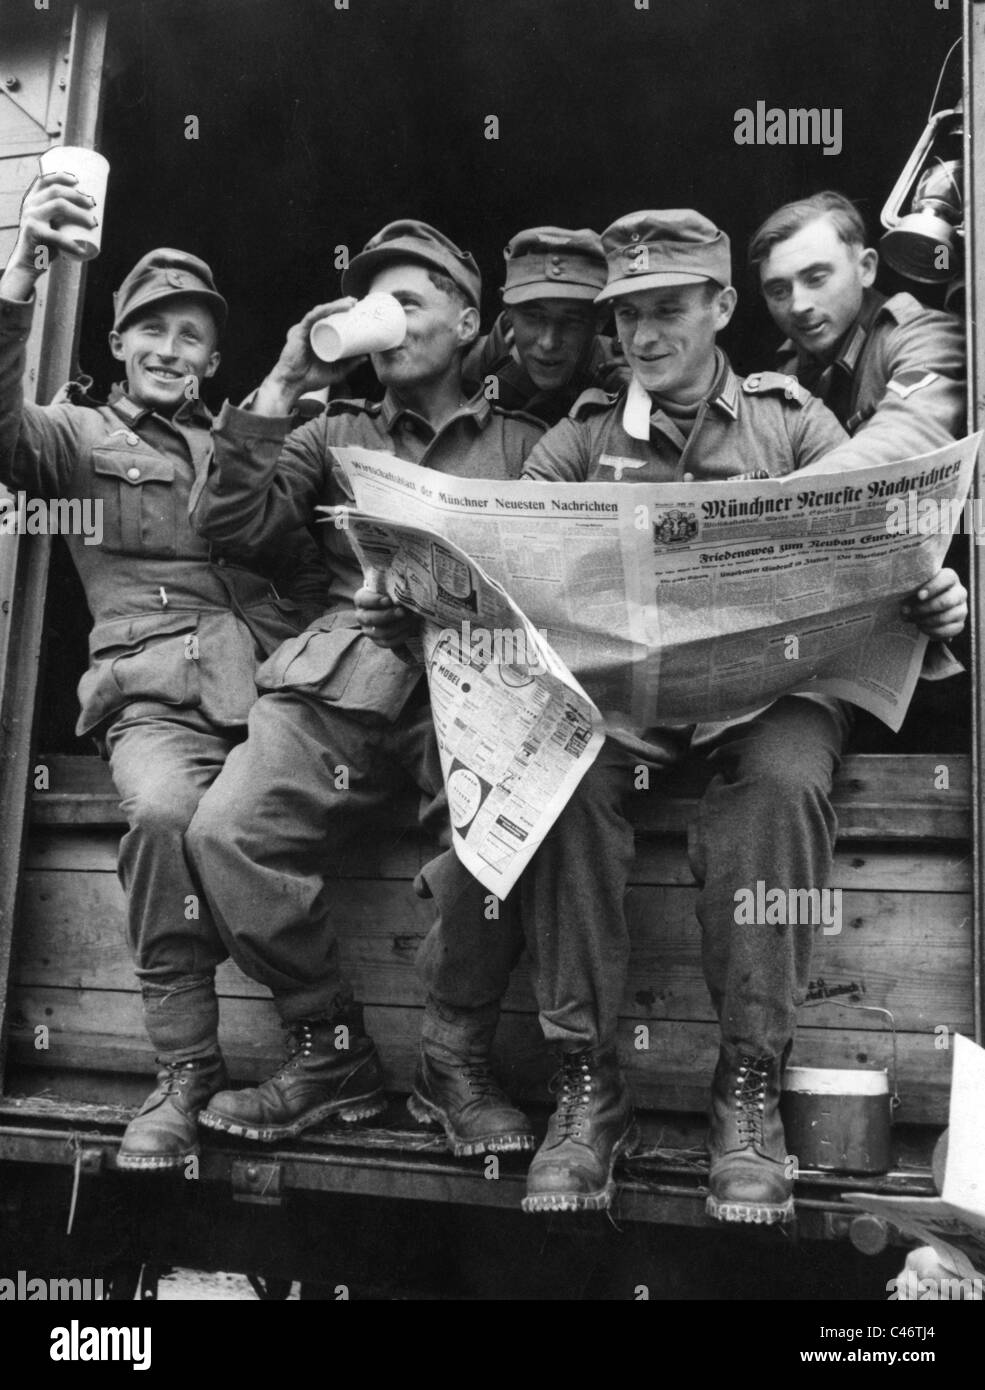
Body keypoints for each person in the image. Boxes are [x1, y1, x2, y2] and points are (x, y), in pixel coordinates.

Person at [400, 209, 966, 1219]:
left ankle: (748, 1088)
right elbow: (509, 588)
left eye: (669, 311)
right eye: (627, 317)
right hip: (624, 706)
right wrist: (438, 581)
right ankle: (588, 1085)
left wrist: (930, 600)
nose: (644, 337)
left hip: (770, 695)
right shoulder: (574, 443)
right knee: (556, 781)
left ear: (720, 307)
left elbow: (876, 548)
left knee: (786, 784)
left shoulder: (791, 421)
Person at [185, 221, 545, 1156]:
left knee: (499, 834)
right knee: (226, 831)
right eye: (369, 303)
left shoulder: (524, 442)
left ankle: (452, 1060)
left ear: (468, 322)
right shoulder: (330, 430)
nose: (382, 323)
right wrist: (279, 386)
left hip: (470, 683)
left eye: (409, 302)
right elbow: (228, 525)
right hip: (343, 679)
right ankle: (330, 1049)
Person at [0, 170, 325, 1171]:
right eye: (152, 330)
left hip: (274, 685)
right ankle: (186, 1072)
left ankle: (329, 1043)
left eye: (190, 336)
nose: (170, 350)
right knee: (161, 817)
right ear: (117, 343)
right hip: (157, 701)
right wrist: (25, 265)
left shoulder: (248, 438)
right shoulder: (74, 438)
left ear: (213, 356)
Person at [749, 190, 966, 464]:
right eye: (779, 291)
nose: (798, 305)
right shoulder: (789, 368)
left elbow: (908, 436)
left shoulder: (922, 337)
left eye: (816, 278)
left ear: (866, 269)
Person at [463, 226, 625, 425]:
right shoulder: (464, 369)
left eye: (572, 321)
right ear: (508, 309)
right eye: (534, 317)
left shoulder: (624, 378)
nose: (549, 343)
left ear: (601, 318)